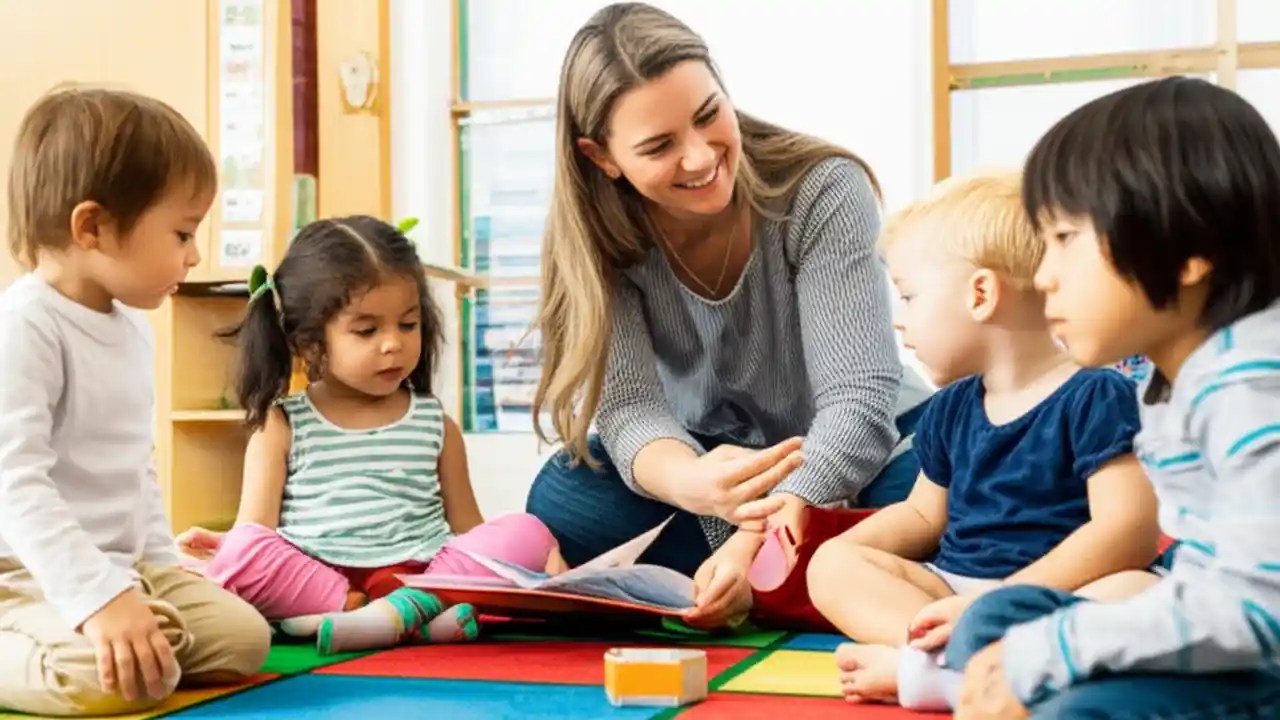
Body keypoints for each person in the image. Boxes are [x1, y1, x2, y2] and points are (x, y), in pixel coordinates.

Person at [524, 1, 933, 629]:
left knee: (942, 485)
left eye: (709, 115)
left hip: (865, 446)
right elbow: (631, 410)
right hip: (719, 467)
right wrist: (691, 481)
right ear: (602, 157)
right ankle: (811, 577)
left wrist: (753, 539)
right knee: (564, 495)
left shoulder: (823, 189)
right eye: (659, 146)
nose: (699, 157)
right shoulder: (595, 238)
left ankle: (753, 572)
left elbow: (859, 399)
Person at [946, 77, 1280, 719]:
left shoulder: (1251, 388)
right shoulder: (1173, 381)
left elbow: (1253, 608)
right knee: (1003, 617)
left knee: (1077, 703)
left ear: (1189, 252)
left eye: (1065, 239)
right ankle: (1006, 688)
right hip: (1229, 637)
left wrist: (1060, 650)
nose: (1043, 276)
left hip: (1262, 653)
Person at [800, 171, 1160, 708]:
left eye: (909, 297)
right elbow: (924, 517)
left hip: (1052, 595)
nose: (900, 323)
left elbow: (1127, 532)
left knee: (1139, 591)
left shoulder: (1096, 394)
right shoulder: (950, 408)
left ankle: (942, 674)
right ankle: (952, 664)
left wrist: (1002, 599)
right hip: (953, 593)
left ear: (981, 294)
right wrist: (841, 549)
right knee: (831, 567)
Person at [176, 217, 566, 655]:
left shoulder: (434, 422)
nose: (393, 344)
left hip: (419, 574)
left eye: (407, 324)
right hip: (318, 579)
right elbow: (256, 532)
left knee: (526, 530)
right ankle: (389, 614)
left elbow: (469, 530)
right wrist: (225, 547)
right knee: (241, 548)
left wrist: (526, 561)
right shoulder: (281, 424)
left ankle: (392, 613)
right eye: (367, 331)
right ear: (308, 344)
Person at [0, 87, 270, 717]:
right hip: (23, 577)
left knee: (243, 639)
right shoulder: (26, 326)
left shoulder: (130, 329)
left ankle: (140, 626)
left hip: (120, 567)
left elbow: (133, 465)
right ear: (91, 226)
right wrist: (98, 599)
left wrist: (157, 565)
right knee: (108, 679)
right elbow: (15, 486)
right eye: (182, 232)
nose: (194, 254)